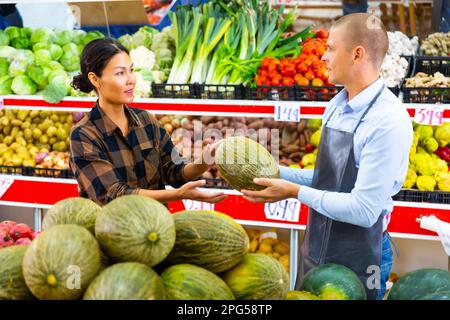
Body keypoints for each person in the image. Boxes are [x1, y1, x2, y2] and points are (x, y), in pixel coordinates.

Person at [241, 13, 413, 300]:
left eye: (331, 48)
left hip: (361, 254)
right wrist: (273, 173)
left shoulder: (388, 121)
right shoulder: (336, 105)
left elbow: (363, 209)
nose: (323, 57)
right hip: (319, 244)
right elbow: (329, 179)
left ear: (357, 54)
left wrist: (295, 192)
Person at [70, 38, 226, 206]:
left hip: (157, 227)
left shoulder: (146, 121)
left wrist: (204, 162)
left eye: (131, 70)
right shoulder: (84, 135)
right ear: (95, 79)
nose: (131, 79)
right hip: (113, 230)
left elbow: (174, 170)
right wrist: (178, 194)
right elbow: (114, 195)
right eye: (120, 73)